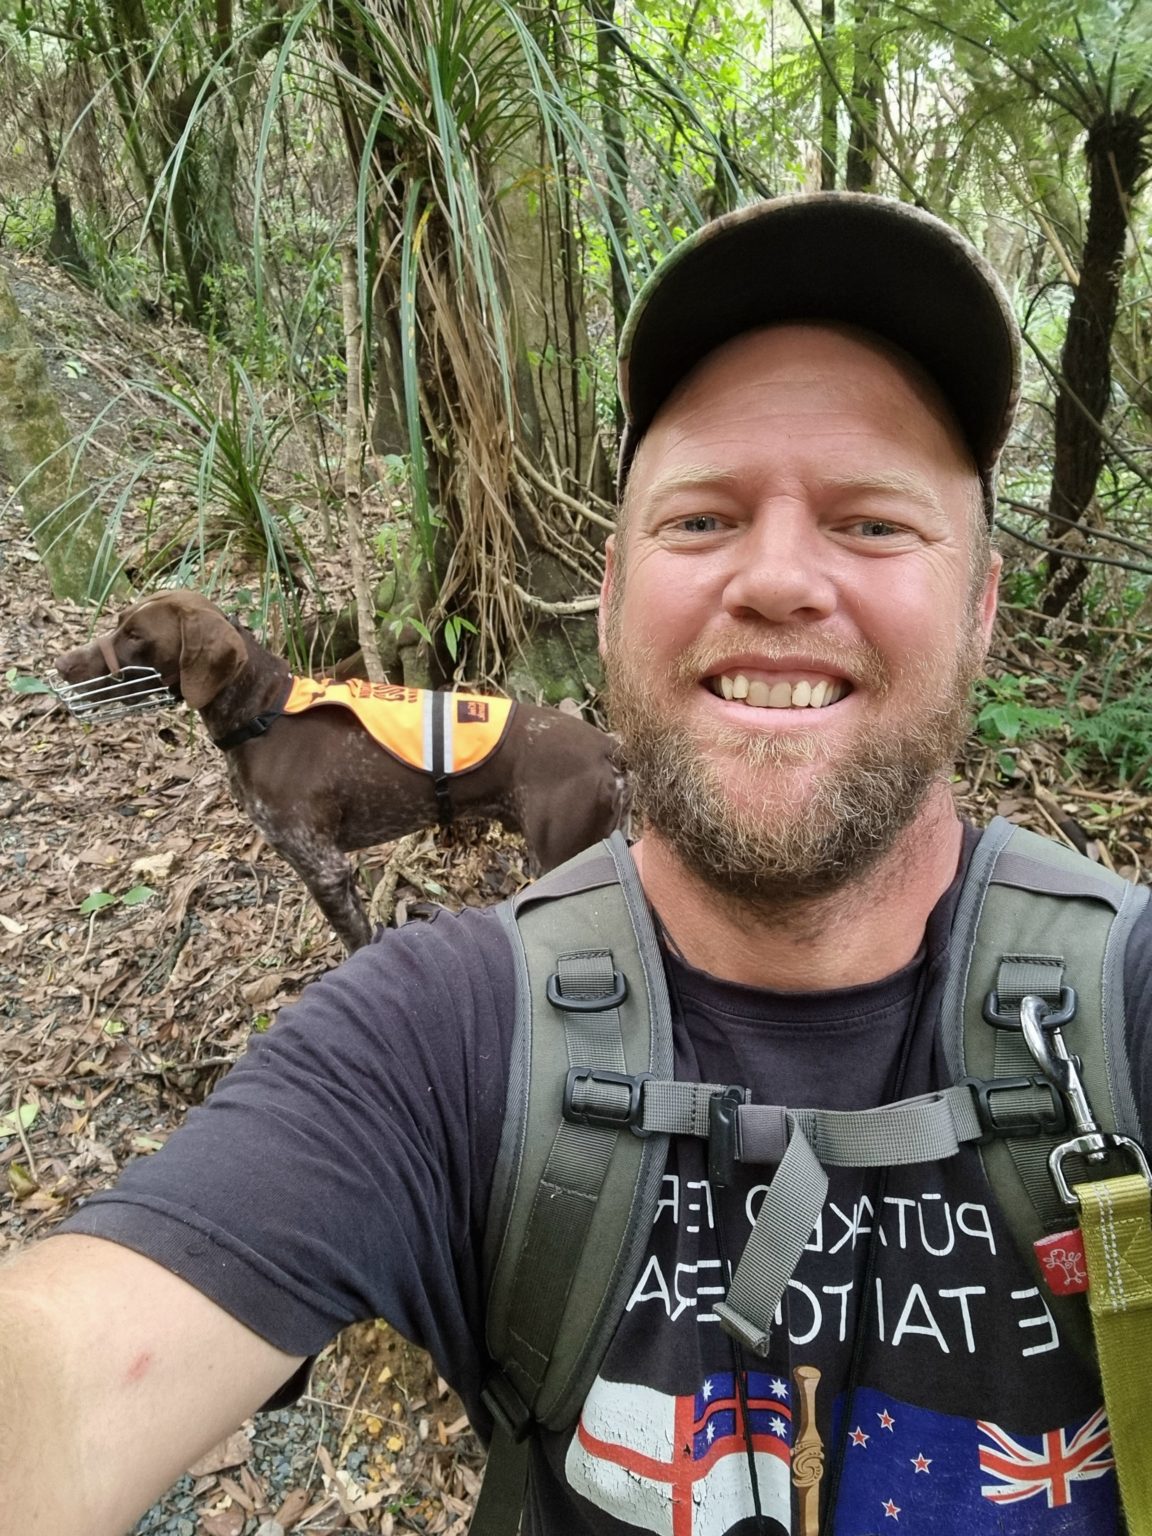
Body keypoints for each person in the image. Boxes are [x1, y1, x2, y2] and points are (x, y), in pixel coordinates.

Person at [3, 192, 1149, 1536]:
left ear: (984, 604)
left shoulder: (1122, 999)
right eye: (704, 520)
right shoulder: (438, 1041)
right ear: (607, 597)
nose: (779, 576)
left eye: (875, 523)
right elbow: (71, 1375)